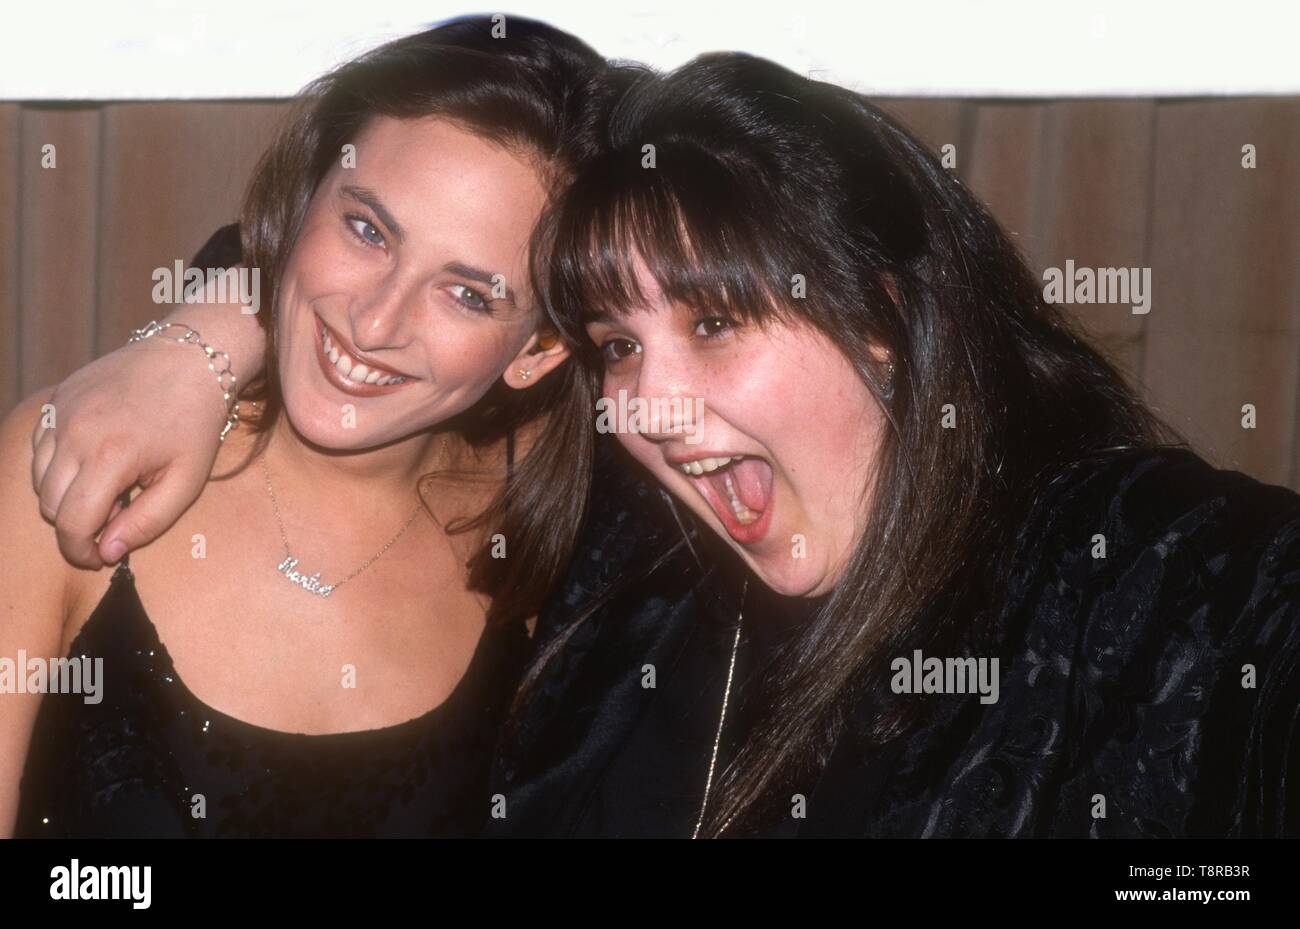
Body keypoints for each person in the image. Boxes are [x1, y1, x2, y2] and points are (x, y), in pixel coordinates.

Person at [23, 54, 1300, 839]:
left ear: (889, 318)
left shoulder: (1140, 573)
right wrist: (192, 340)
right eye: (619, 345)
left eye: (718, 318)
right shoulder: (627, 561)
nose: (655, 408)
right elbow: (346, 255)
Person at [0, 15, 622, 838]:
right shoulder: (76, 457)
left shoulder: (550, 550)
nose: (375, 321)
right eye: (368, 230)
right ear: (306, 201)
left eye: (467, 293)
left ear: (539, 350)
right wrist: (200, 341)